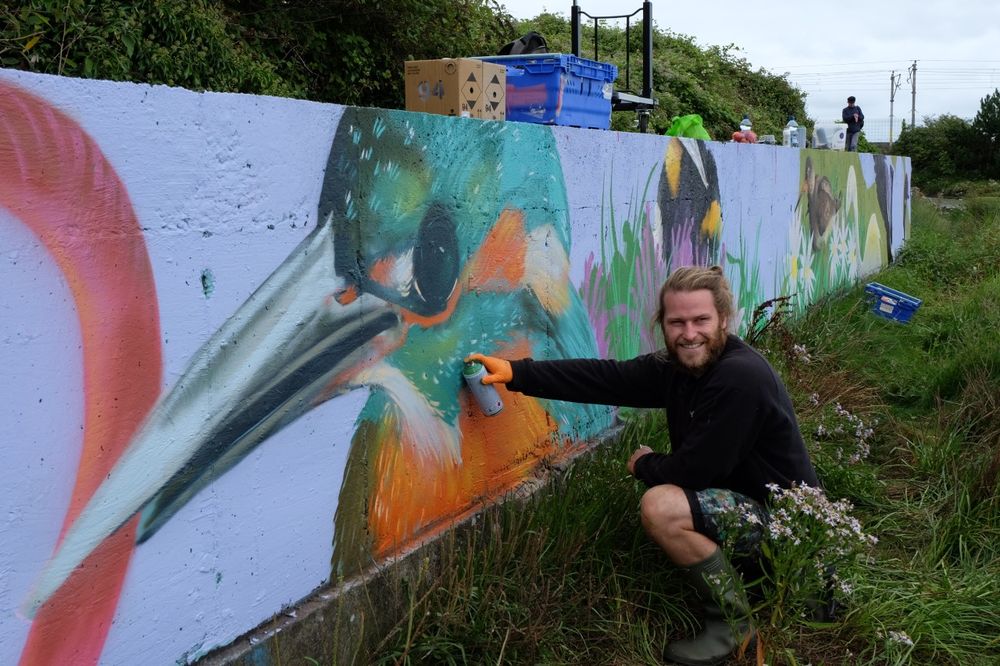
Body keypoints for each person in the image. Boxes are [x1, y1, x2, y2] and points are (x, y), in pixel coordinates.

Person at [466, 265, 819, 666]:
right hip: (752, 512)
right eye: (677, 322)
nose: (689, 333)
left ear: (724, 319)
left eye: (701, 320)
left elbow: (692, 473)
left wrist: (644, 464)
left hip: (790, 539)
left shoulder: (740, 377)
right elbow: (608, 379)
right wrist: (517, 373)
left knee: (662, 507)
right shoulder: (680, 368)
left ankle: (733, 625)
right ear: (662, 324)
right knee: (670, 501)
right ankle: (745, 584)